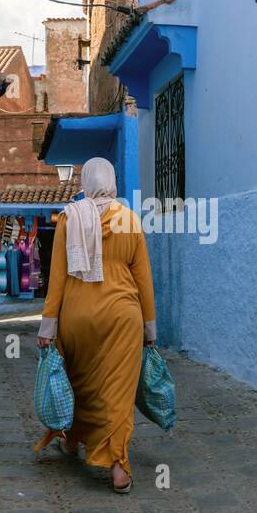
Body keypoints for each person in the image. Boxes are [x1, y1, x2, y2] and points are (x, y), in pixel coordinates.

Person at [35, 157, 156, 493]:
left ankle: (73, 441)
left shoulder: (69, 219)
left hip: (78, 317)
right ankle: (118, 465)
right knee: (118, 391)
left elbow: (56, 278)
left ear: (85, 182)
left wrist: (47, 328)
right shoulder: (129, 220)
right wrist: (150, 329)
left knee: (81, 384)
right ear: (112, 181)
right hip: (123, 316)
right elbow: (143, 280)